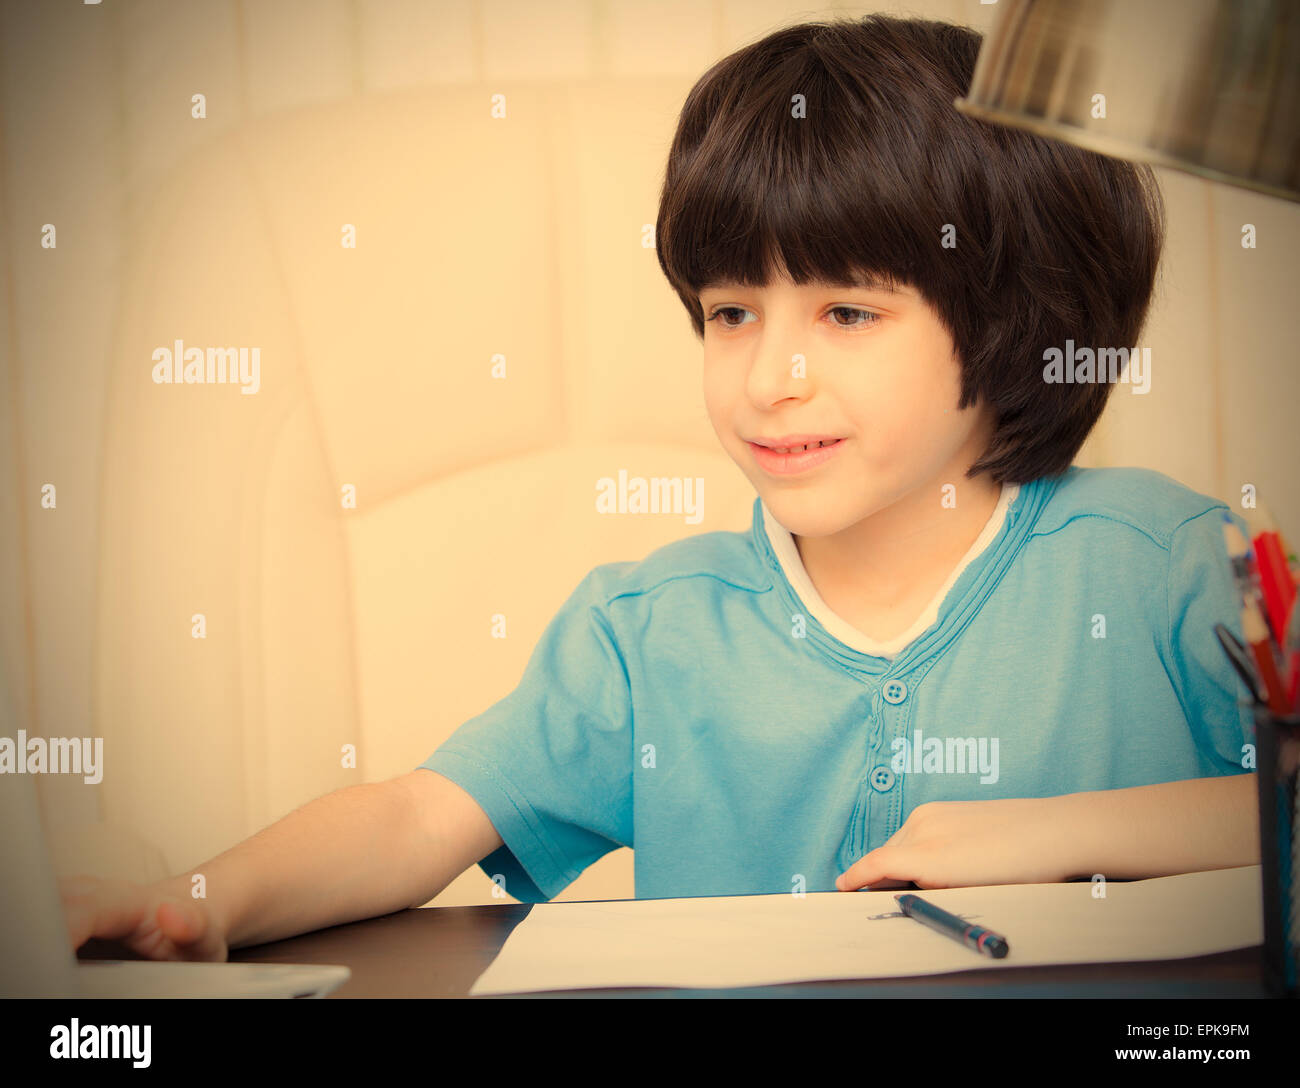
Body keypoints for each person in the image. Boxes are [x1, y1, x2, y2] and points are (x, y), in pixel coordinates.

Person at [62, 14, 1257, 962]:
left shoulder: (1165, 567)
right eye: (732, 313)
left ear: (1011, 315)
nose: (768, 378)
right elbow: (420, 816)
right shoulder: (648, 632)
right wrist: (201, 898)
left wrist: (1031, 838)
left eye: (846, 311)